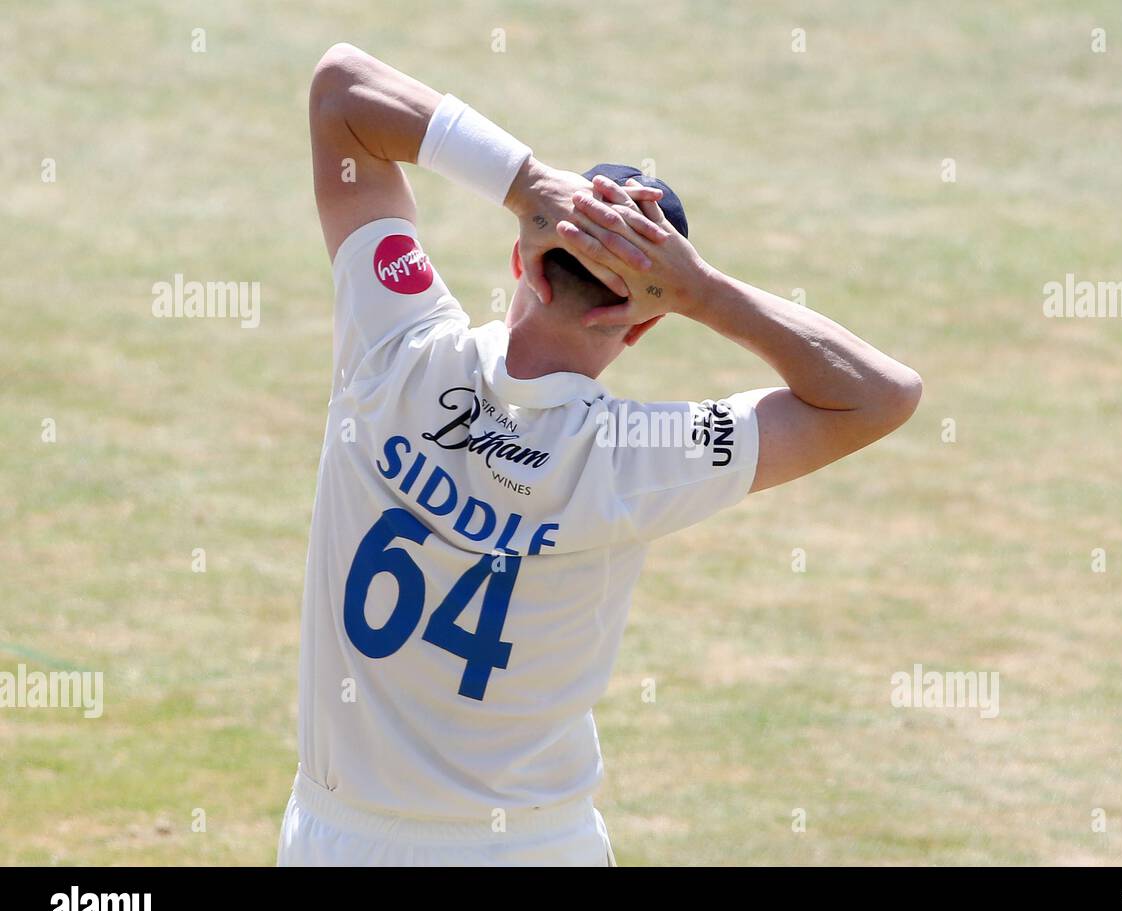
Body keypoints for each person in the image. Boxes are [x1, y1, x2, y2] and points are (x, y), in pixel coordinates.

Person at [278, 43, 922, 866]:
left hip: (344, 841)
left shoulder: (392, 343)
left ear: (523, 261)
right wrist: (704, 292)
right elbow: (880, 394)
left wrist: (526, 182)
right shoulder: (641, 458)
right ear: (648, 321)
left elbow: (342, 94)